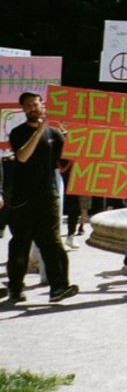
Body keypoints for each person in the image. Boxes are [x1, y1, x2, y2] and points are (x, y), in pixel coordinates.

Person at [1, 92, 79, 303]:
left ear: (43, 106)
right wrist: (39, 133)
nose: (33, 109)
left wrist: (73, 140)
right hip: (23, 198)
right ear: (24, 110)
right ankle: (16, 288)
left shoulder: (55, 133)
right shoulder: (18, 132)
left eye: (36, 105)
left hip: (48, 195)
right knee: (21, 243)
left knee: (52, 242)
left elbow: (65, 163)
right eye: (28, 106)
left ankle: (59, 287)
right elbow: (22, 157)